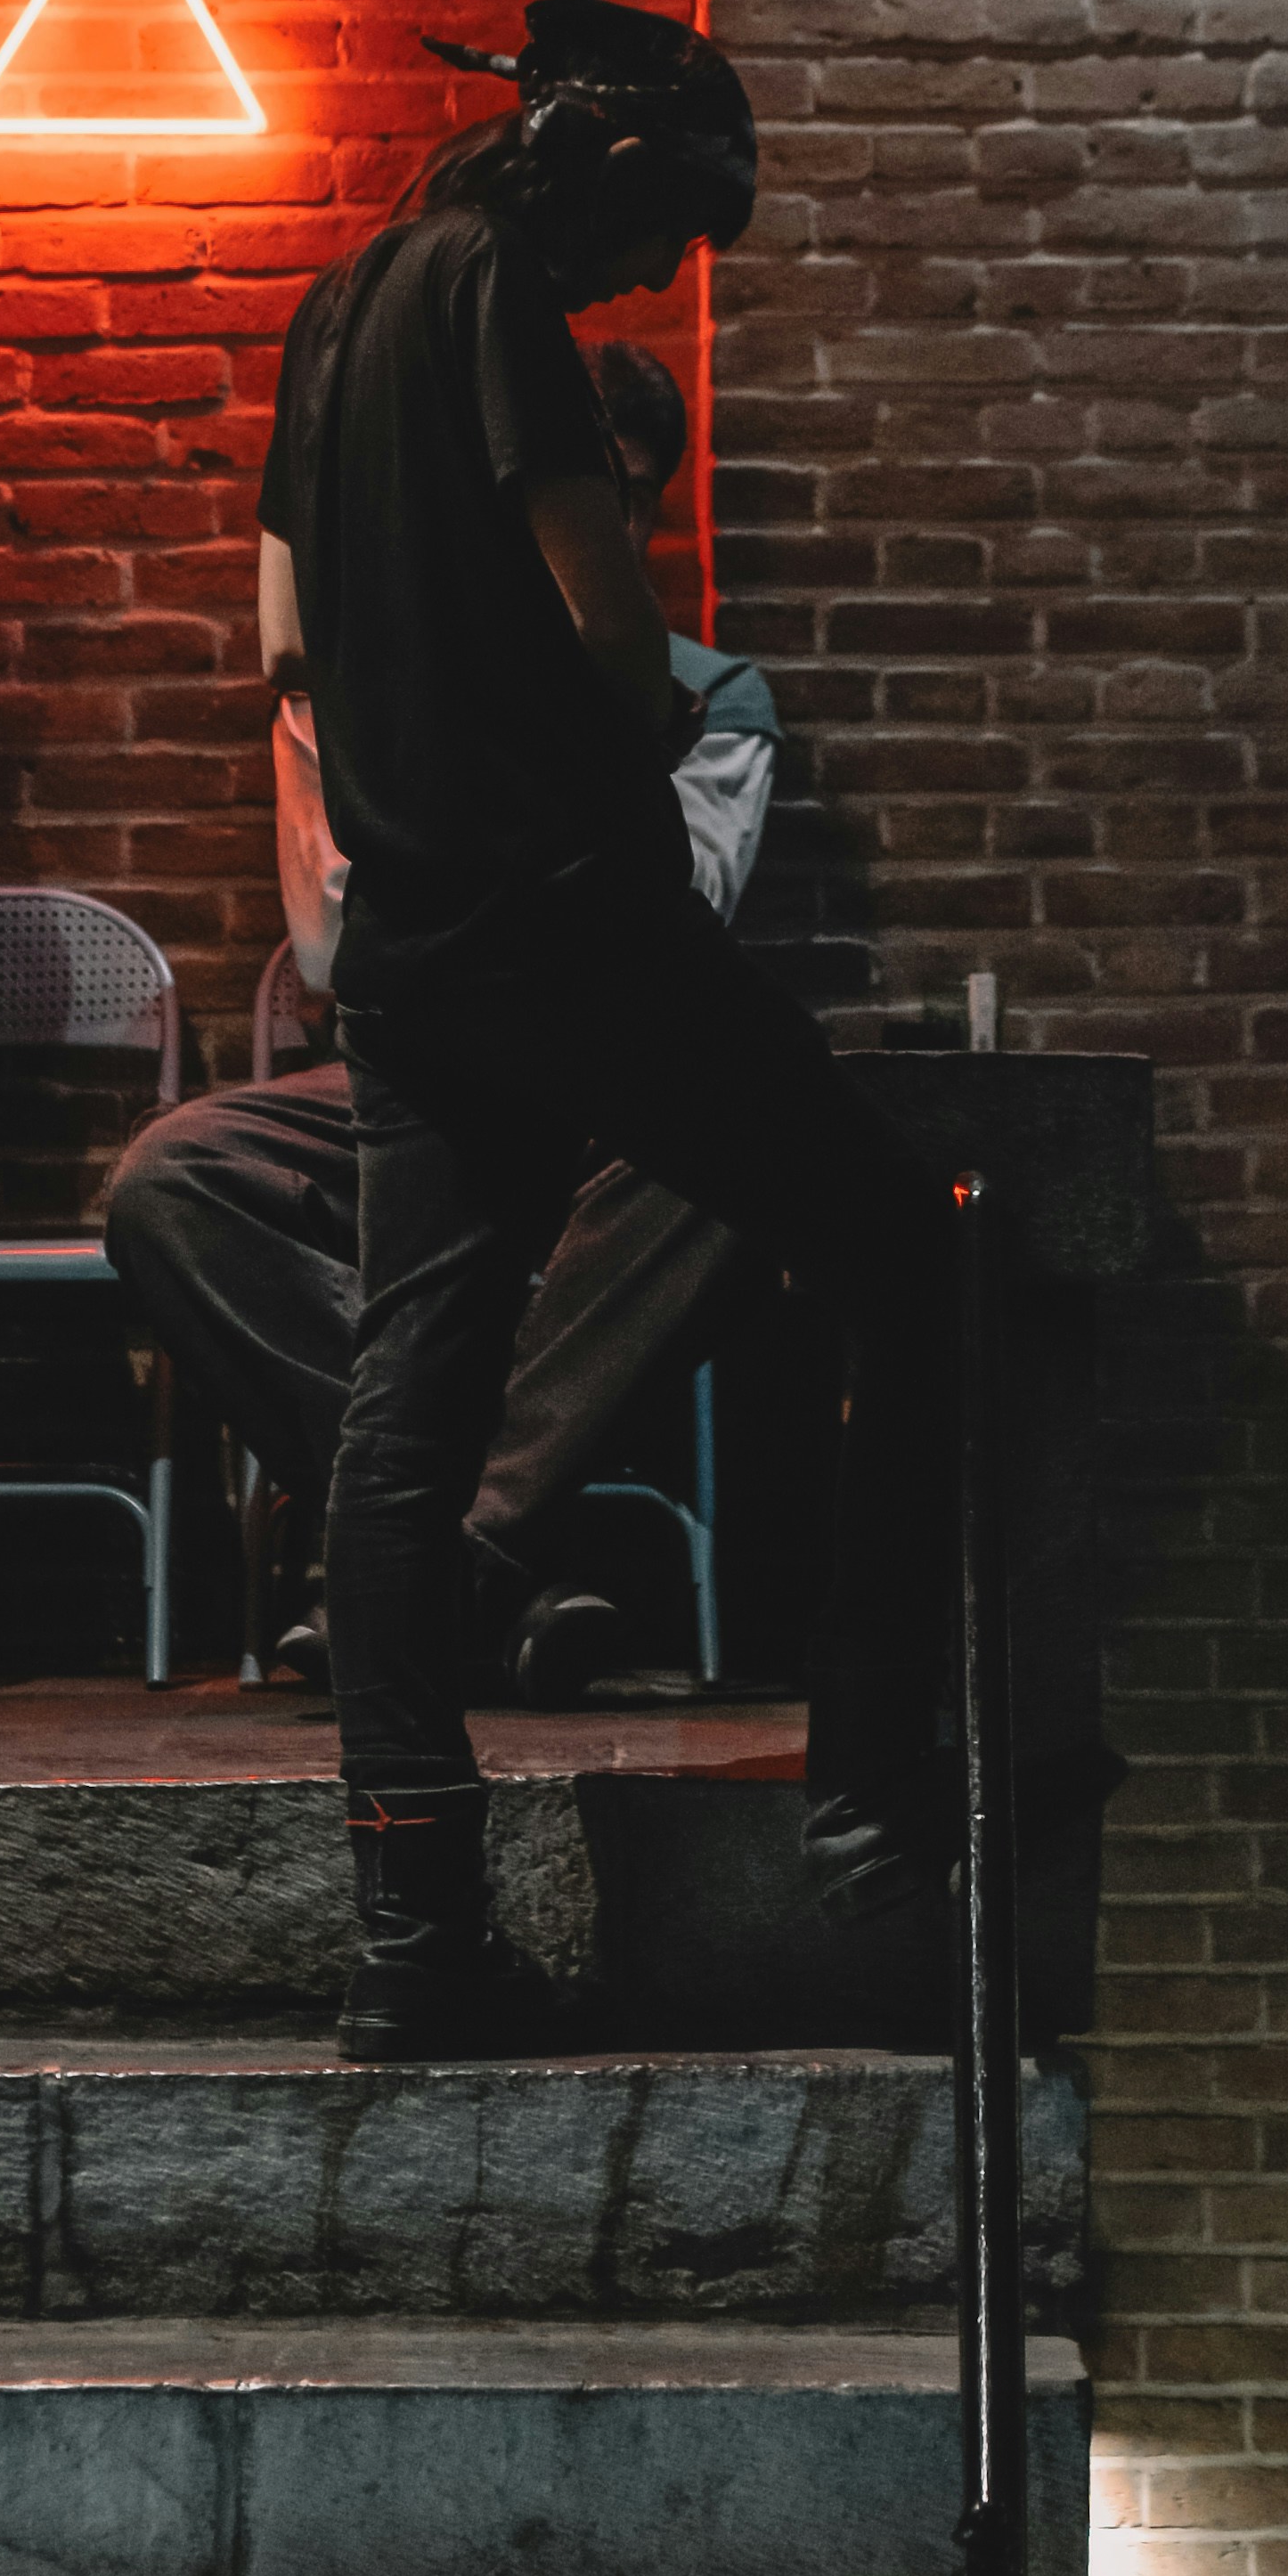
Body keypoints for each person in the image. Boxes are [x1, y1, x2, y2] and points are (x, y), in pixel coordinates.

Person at [259, 0, 966, 2058]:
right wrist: (643, 711)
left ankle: (413, 1935)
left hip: (410, 954)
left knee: (402, 1433)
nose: (657, 277)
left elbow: (294, 628)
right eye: (666, 228)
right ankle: (874, 1778)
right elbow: (602, 612)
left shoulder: (337, 307)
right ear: (604, 166)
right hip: (569, 924)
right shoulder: (494, 292)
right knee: (905, 1249)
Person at [101, 338, 779, 1705]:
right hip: (411, 1079)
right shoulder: (361, 675)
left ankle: (423, 1563)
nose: (584, 528)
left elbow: (673, 925)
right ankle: (502, 1557)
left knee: (751, 1141)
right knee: (171, 1181)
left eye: (619, 495)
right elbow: (332, 941)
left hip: (598, 1099)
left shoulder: (709, 695)